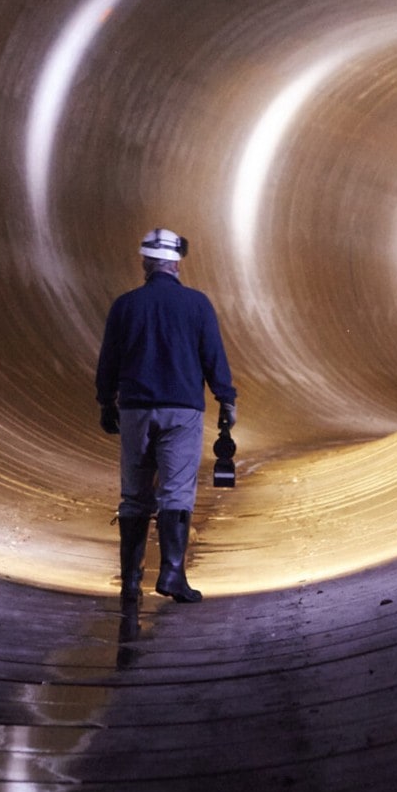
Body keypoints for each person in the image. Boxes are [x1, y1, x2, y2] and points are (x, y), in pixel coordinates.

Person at [95, 227, 236, 603]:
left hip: (136, 410)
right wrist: (226, 399)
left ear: (145, 262)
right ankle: (172, 574)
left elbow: (109, 360)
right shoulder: (197, 305)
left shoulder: (125, 306)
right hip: (182, 410)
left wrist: (106, 402)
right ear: (177, 263)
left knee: (135, 496)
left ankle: (130, 582)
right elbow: (213, 356)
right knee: (176, 492)